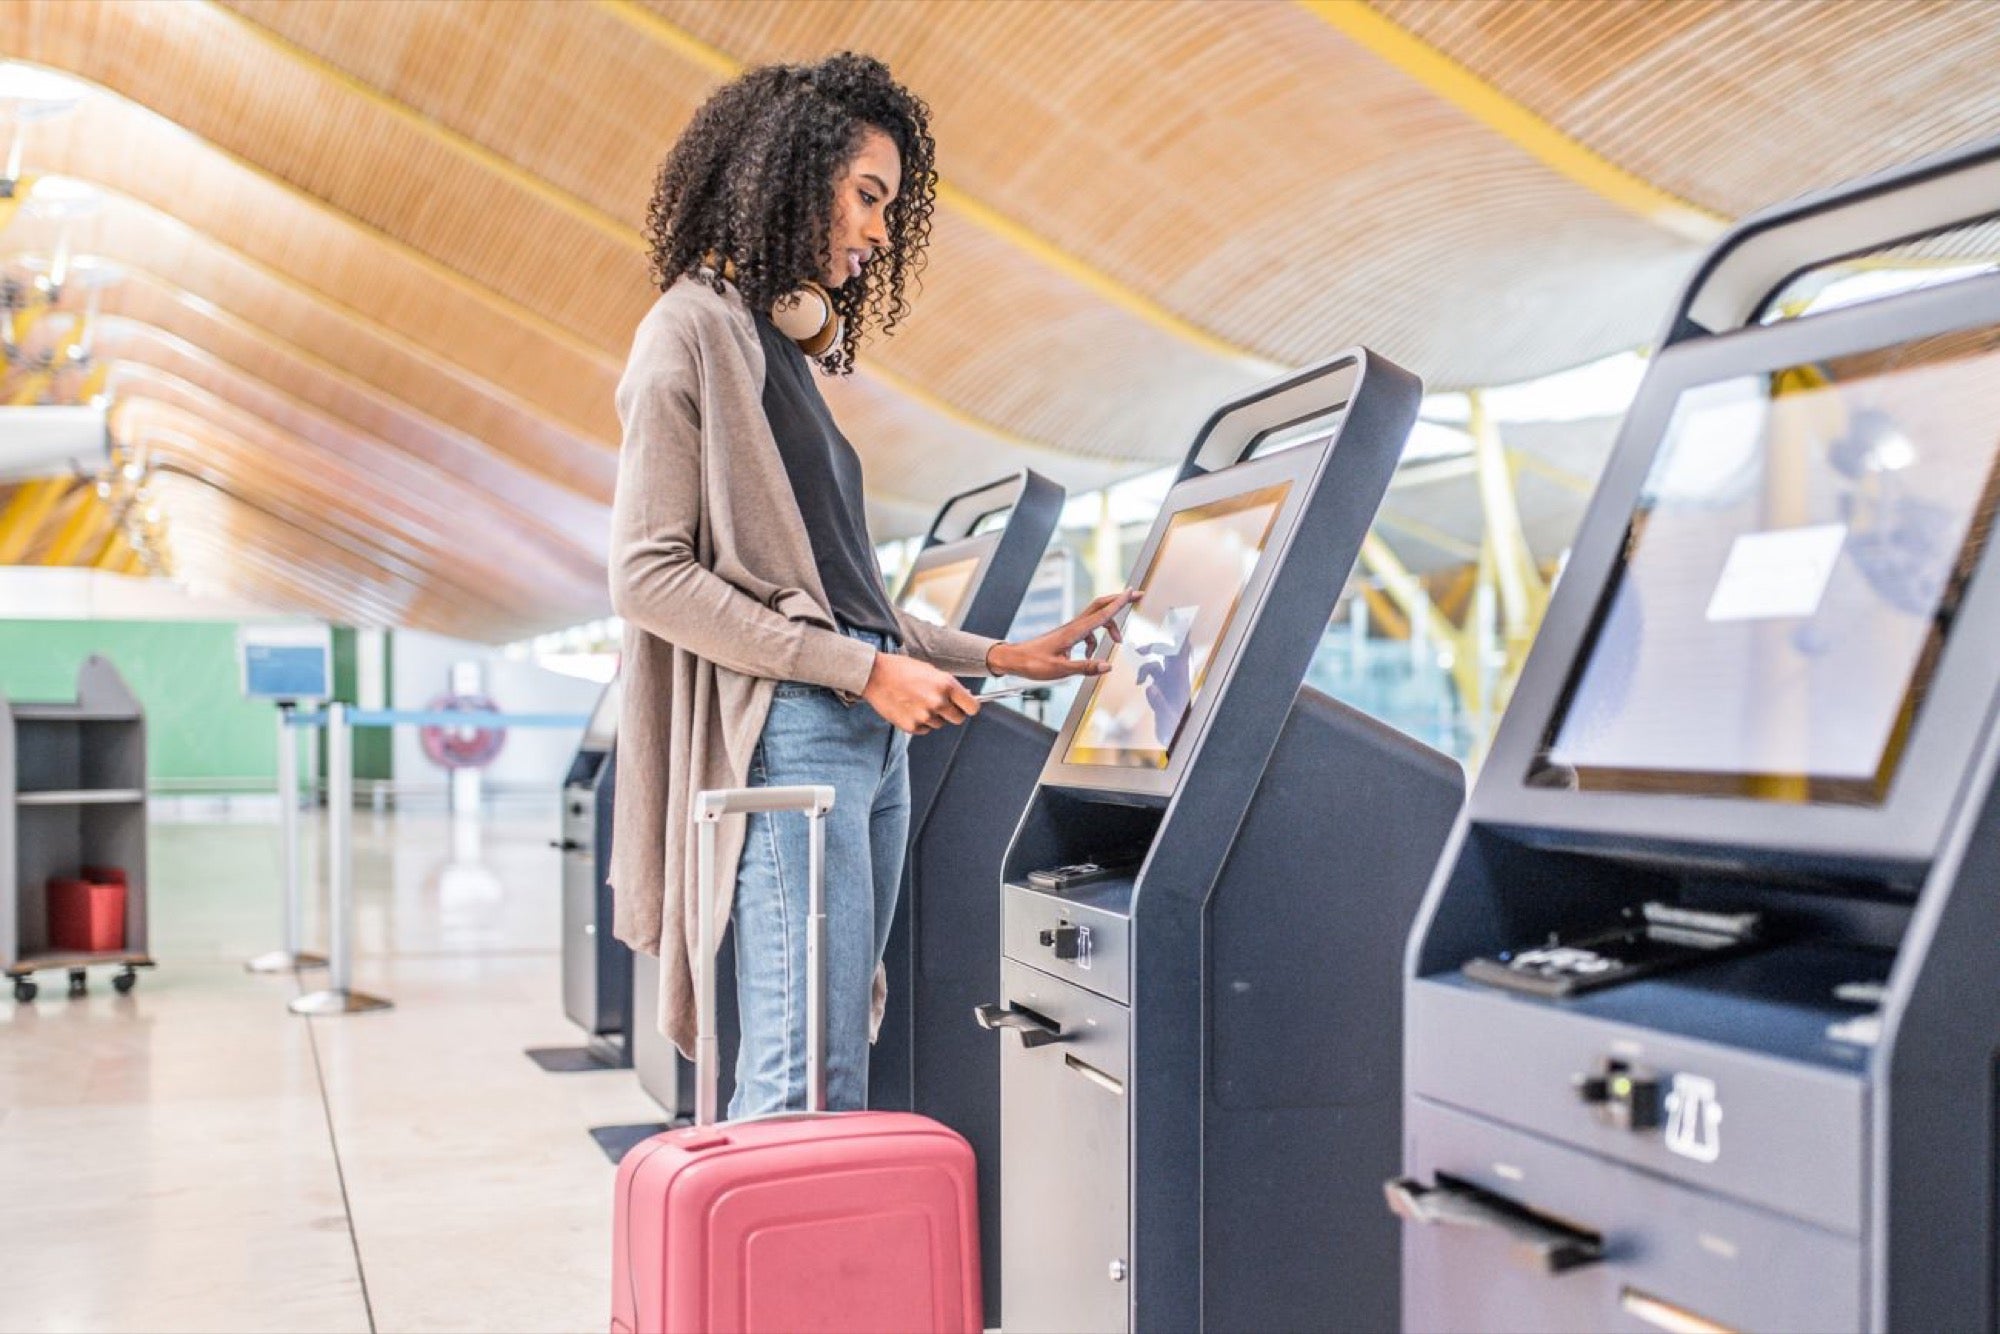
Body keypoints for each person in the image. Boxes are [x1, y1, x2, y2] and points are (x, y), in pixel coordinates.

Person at [608, 53, 1133, 1118]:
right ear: (785, 180)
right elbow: (647, 575)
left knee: (835, 1042)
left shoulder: (779, 353)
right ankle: (762, 1287)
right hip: (797, 728)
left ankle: (802, 1281)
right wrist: (860, 672)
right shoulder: (687, 334)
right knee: (802, 1063)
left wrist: (999, 655)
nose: (880, 230)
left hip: (855, 730)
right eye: (866, 195)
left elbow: (845, 598)